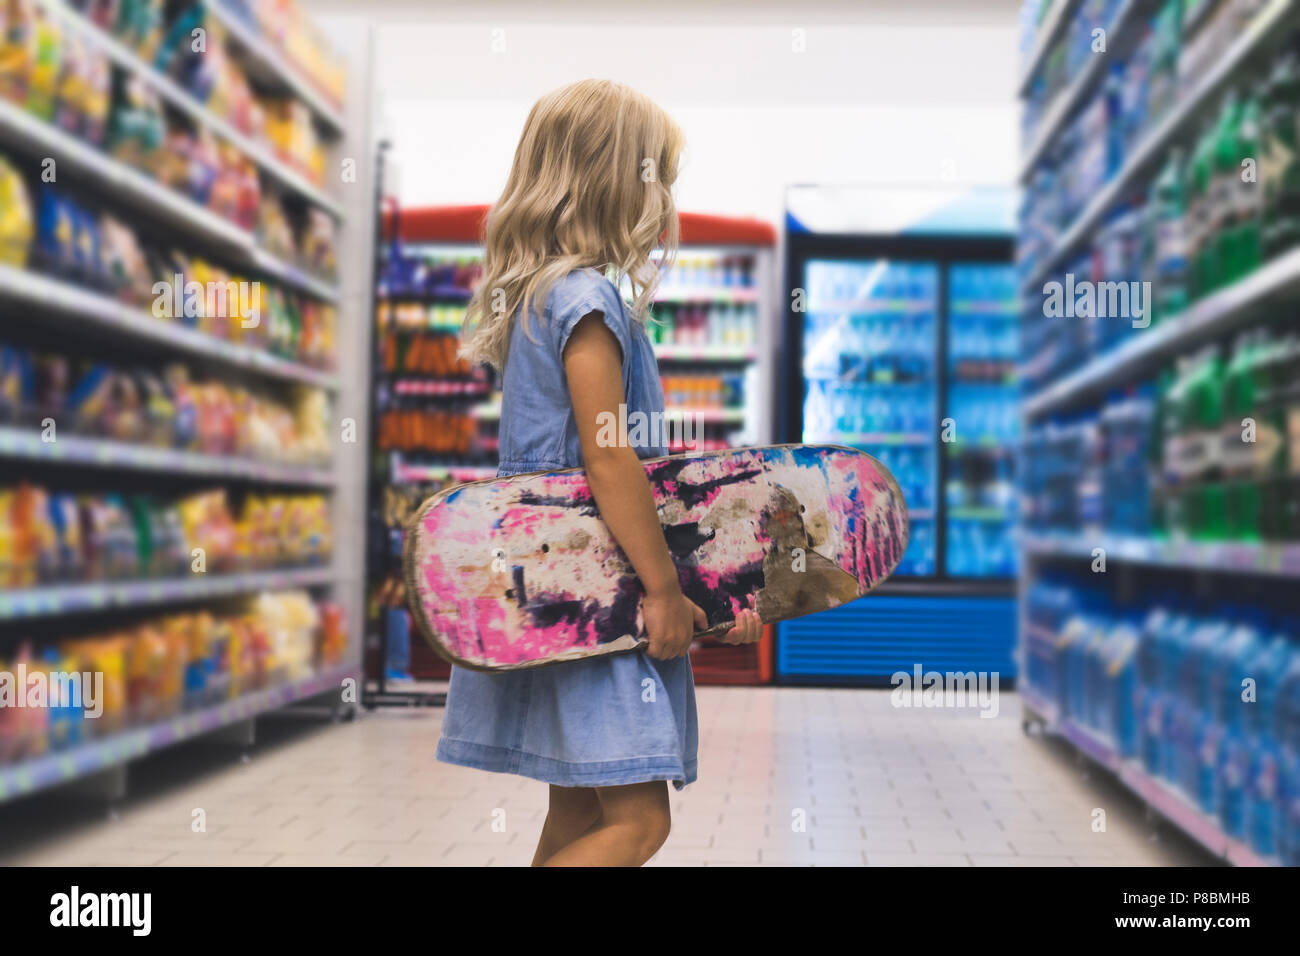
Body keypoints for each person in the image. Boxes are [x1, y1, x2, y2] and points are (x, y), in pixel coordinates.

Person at [437, 79, 762, 866]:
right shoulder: (587, 300)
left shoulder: (540, 296)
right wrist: (662, 590)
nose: (668, 202)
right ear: (618, 180)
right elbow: (609, 455)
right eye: (661, 177)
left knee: (580, 812)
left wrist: (703, 593)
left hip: (551, 580)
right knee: (640, 822)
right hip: (601, 588)